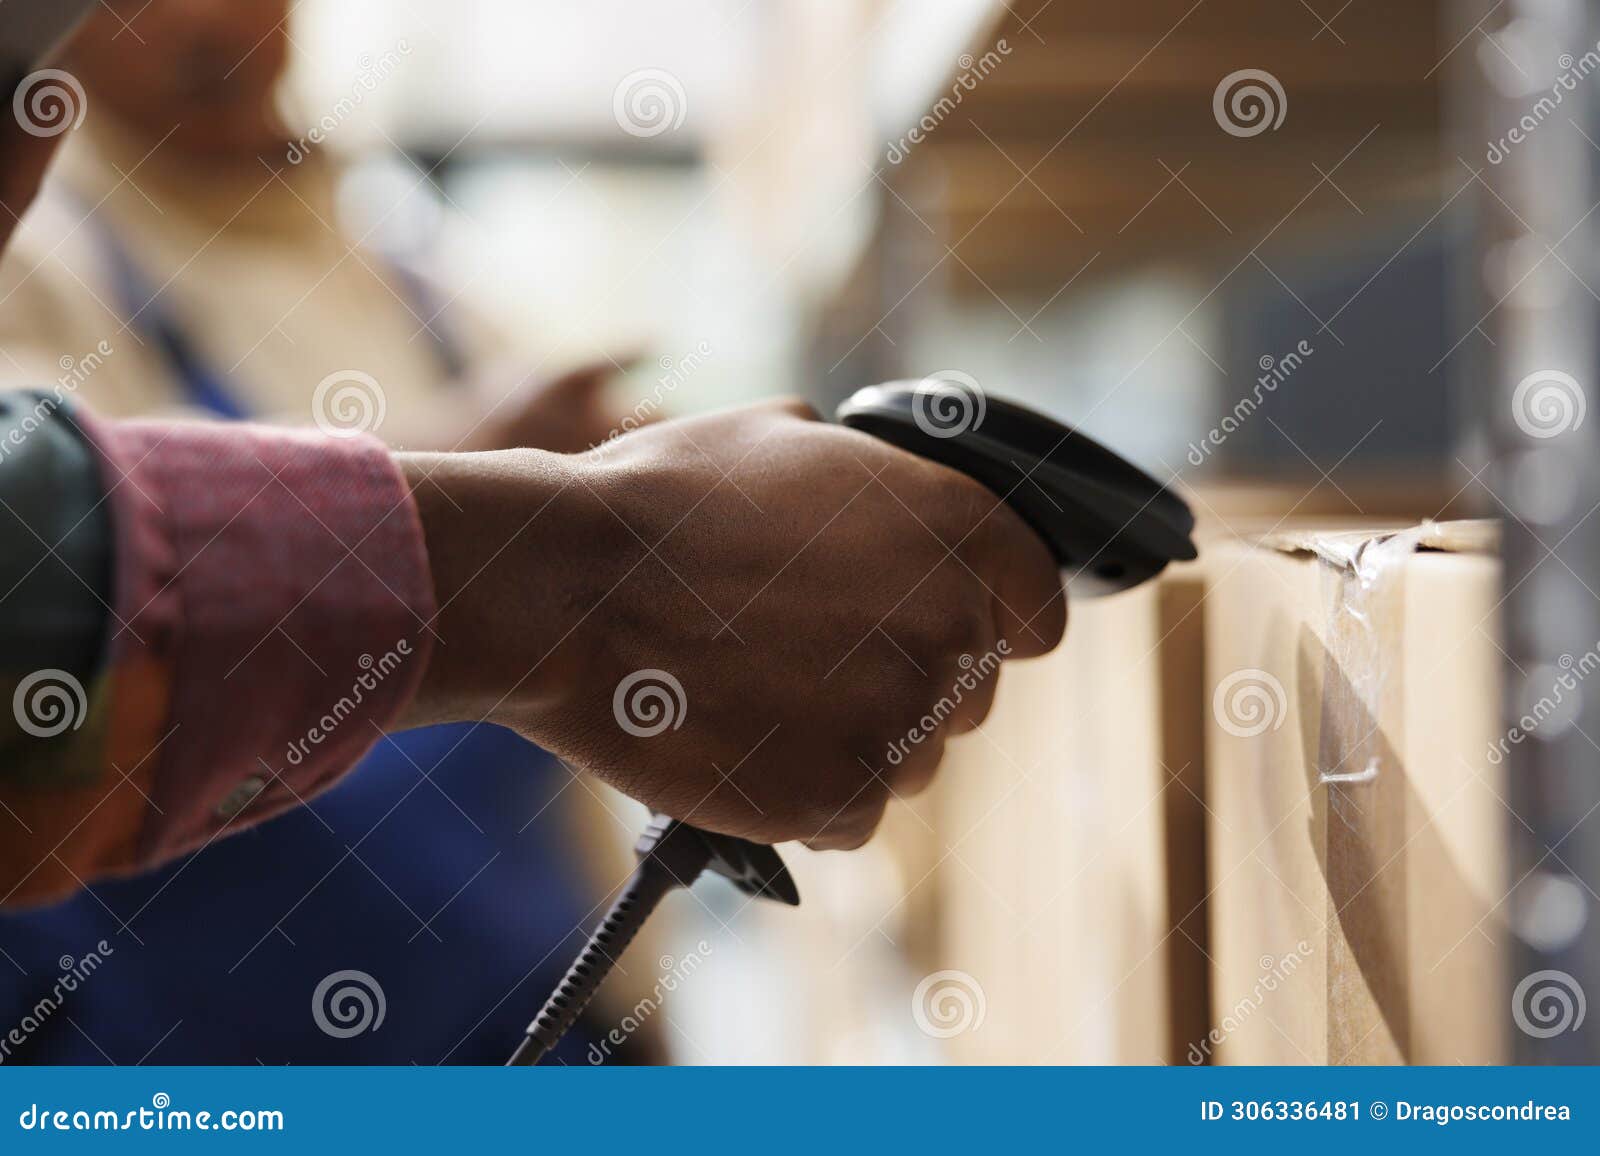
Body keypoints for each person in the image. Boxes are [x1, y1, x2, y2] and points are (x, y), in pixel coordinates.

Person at [0, 18, 1066, 1065]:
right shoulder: (46, 256)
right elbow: (48, 584)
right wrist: (549, 553)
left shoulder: (401, 258)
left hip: (520, 1026)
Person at [0, 0, 667, 1066]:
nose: (212, 13)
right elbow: (42, 568)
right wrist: (466, 475)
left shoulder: (426, 281)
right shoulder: (34, 252)